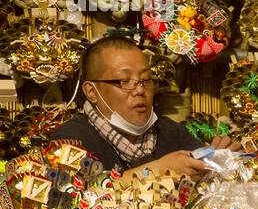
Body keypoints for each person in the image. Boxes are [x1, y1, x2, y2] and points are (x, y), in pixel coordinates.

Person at [53, 33, 236, 180]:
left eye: (146, 80)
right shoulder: (72, 140)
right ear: (91, 92)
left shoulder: (170, 132)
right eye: (124, 81)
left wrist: (216, 161)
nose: (140, 90)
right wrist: (158, 171)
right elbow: (71, 200)